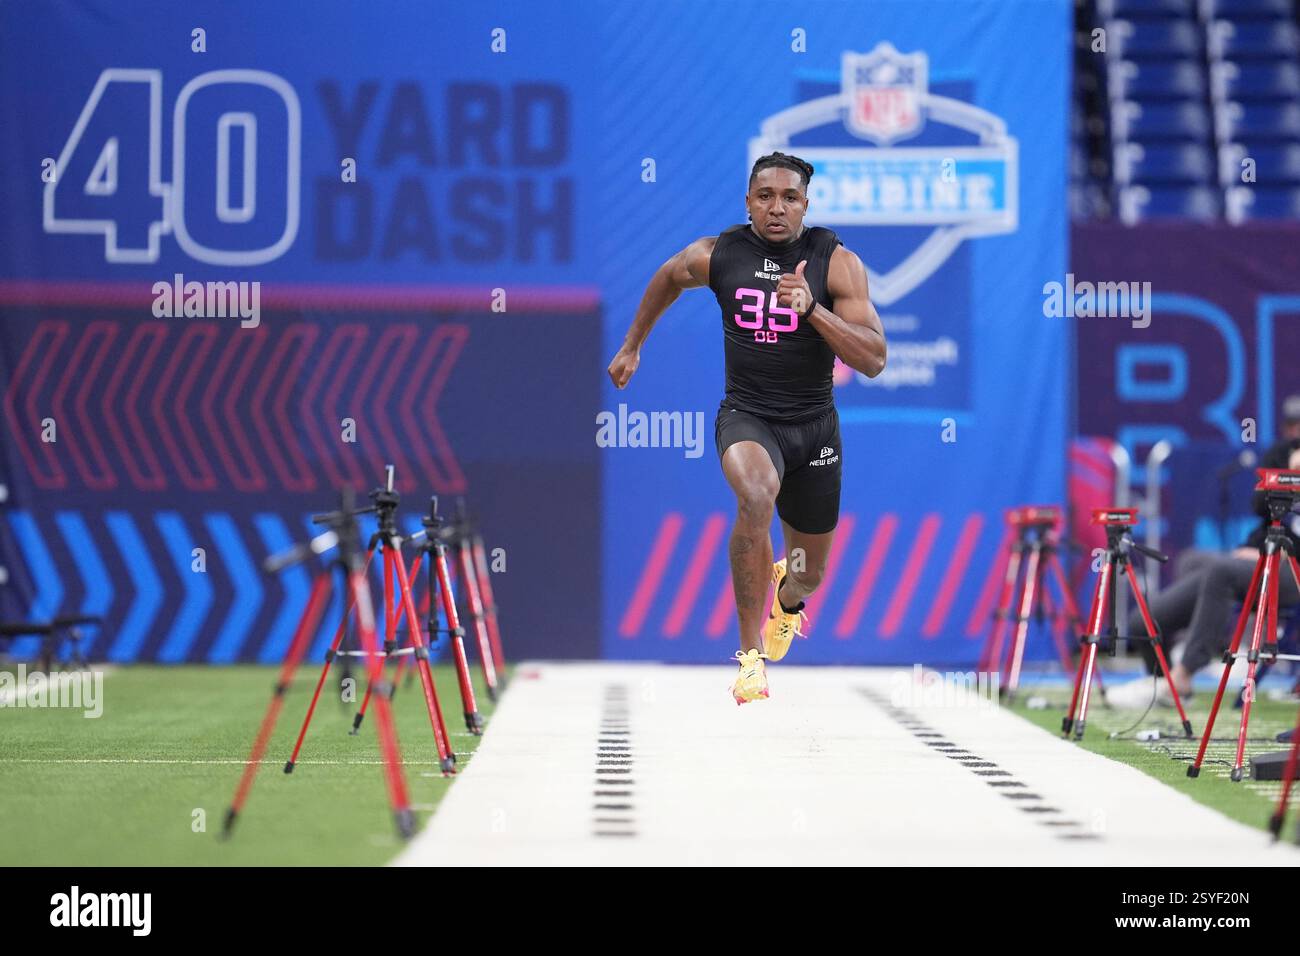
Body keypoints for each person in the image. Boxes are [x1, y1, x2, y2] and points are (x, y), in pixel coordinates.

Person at [607, 151, 886, 704]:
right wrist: (632, 343)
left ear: (806, 205)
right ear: (748, 202)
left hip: (815, 431)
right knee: (757, 495)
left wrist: (813, 311)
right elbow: (667, 276)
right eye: (765, 197)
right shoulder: (720, 254)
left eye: (789, 198)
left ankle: (788, 600)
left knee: (809, 575)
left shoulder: (837, 262)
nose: (776, 208)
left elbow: (874, 359)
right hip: (748, 417)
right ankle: (749, 657)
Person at [1106, 396, 1300, 708]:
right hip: (1259, 553)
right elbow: (1259, 506)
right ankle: (1163, 682)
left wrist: (1275, 555)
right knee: (1149, 615)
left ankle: (1184, 674)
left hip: (1292, 568)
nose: (1295, 431)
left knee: (1222, 572)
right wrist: (1289, 475)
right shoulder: (1282, 452)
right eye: (1291, 425)